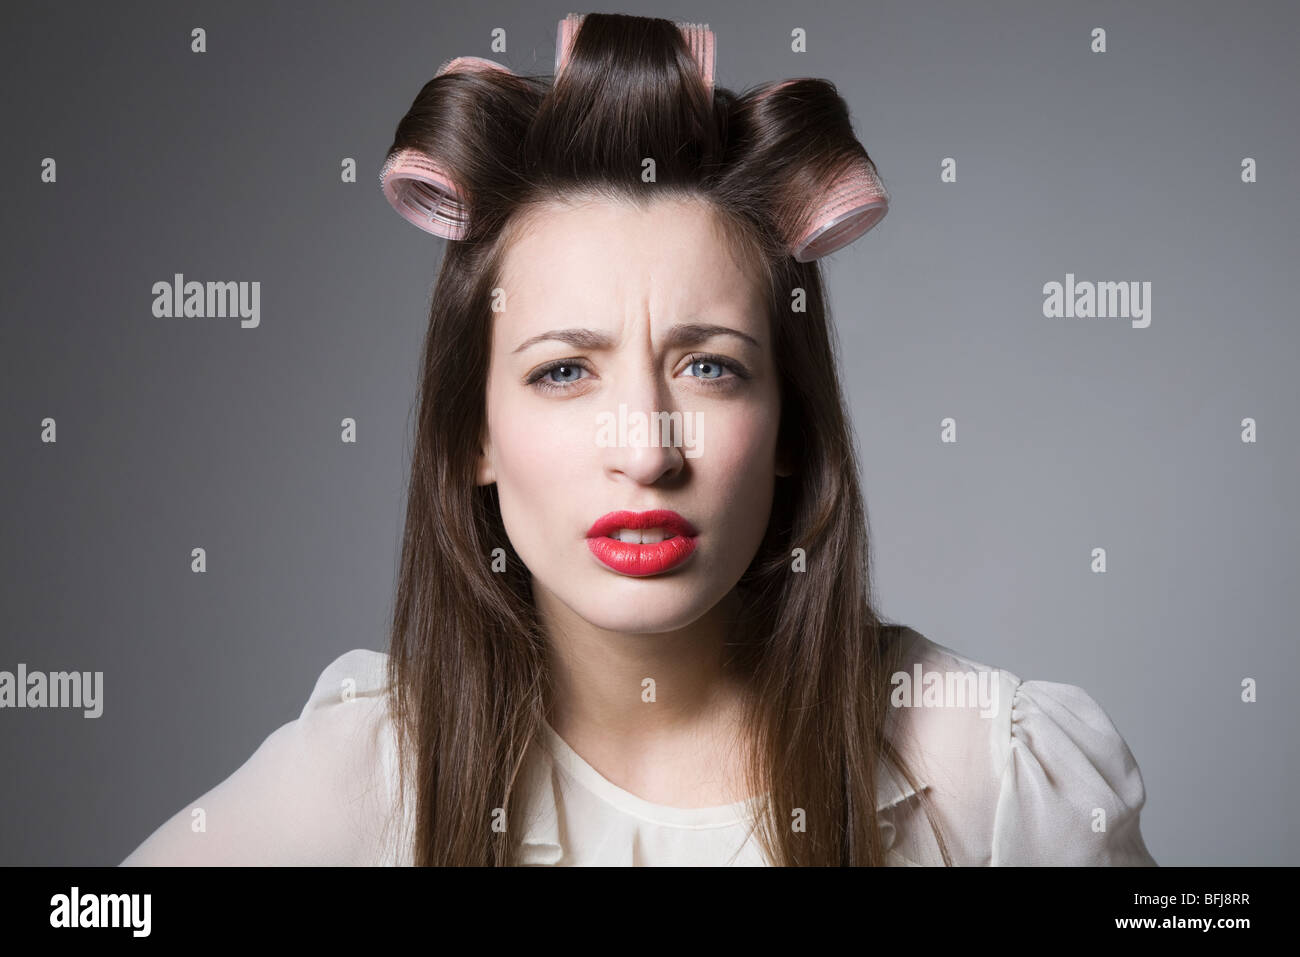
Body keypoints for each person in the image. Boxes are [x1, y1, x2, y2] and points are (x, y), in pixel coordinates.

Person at [121, 12, 1156, 867]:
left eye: (709, 366)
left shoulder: (988, 771)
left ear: (790, 423)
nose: (646, 447)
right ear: (472, 434)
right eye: (563, 371)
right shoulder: (372, 778)